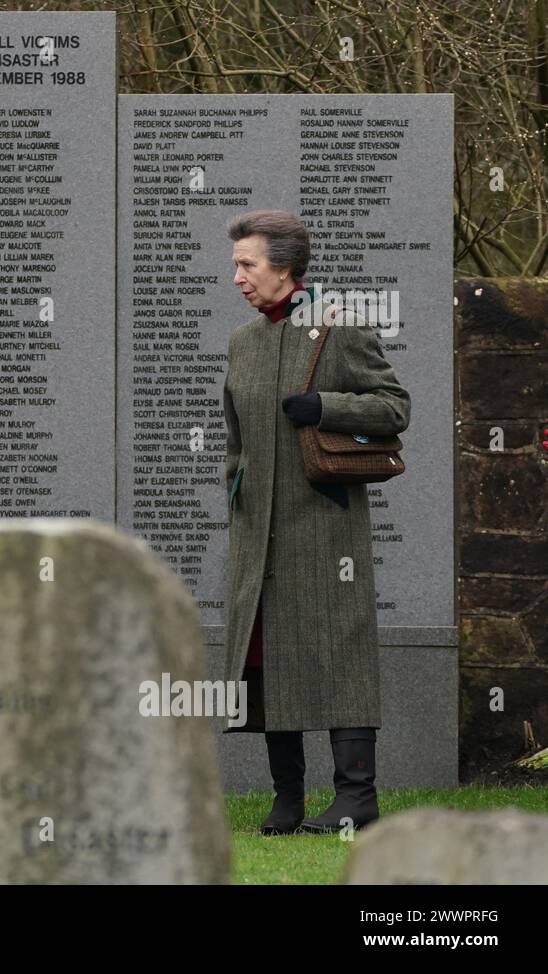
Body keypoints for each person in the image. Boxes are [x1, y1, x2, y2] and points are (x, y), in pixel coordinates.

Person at [220, 209, 411, 836]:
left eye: (247, 263)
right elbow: (235, 436)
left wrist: (324, 405)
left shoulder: (341, 326)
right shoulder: (242, 342)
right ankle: (287, 798)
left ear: (284, 266)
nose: (238, 276)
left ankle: (357, 798)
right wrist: (238, 487)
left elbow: (393, 407)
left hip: (324, 532)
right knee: (266, 659)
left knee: (338, 656)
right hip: (259, 534)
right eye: (236, 264)